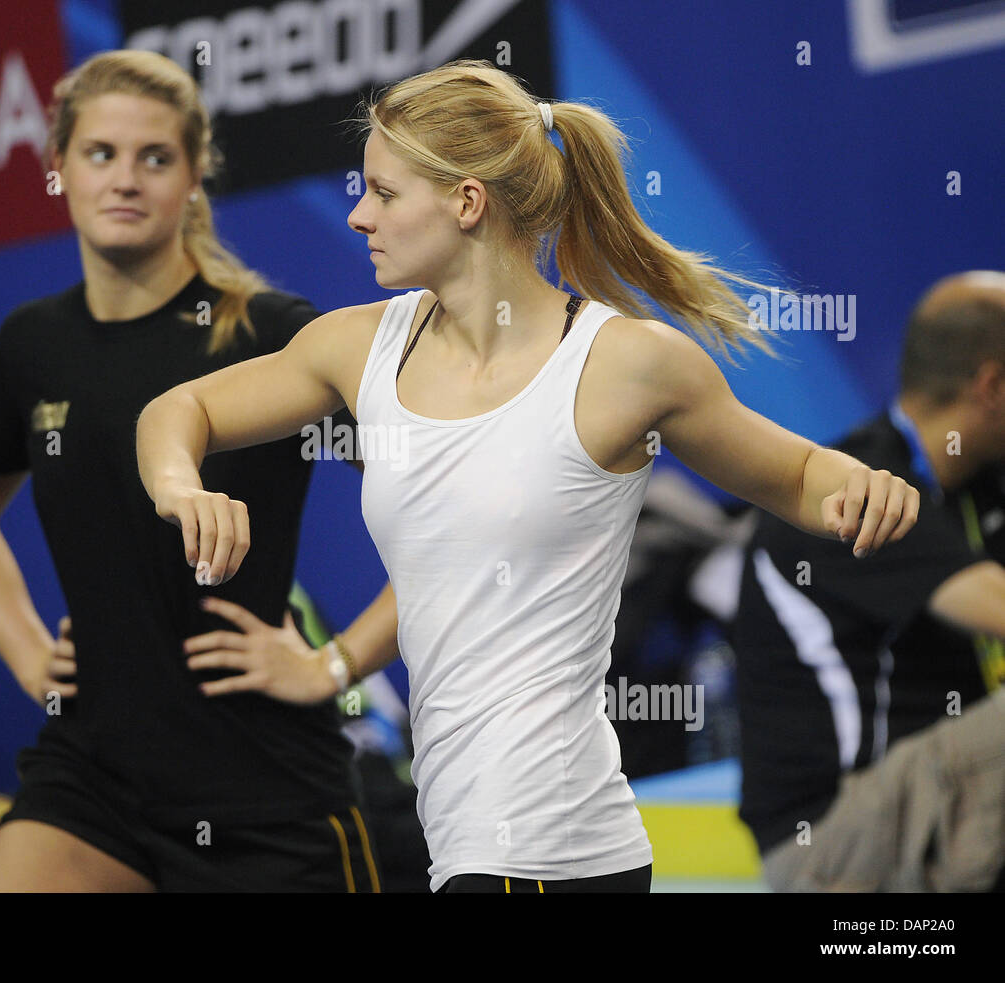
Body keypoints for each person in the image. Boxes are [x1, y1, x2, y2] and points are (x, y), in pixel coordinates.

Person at [134, 59, 921, 894]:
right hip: (480, 851)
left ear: (467, 203)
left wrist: (864, 484)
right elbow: (180, 410)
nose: (360, 215)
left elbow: (800, 473)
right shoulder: (356, 346)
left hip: (541, 855)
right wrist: (182, 487)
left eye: (384, 193)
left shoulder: (626, 364)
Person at [0, 50, 395, 892]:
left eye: (155, 157)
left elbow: (458, 509)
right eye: (100, 153)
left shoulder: (275, 334)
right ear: (57, 166)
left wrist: (335, 664)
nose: (125, 178)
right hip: (92, 774)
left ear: (194, 176)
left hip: (267, 789)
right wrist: (31, 653)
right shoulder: (33, 346)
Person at [731, 271, 1005, 892]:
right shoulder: (859, 490)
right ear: (991, 385)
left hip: (931, 813)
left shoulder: (980, 488)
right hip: (834, 846)